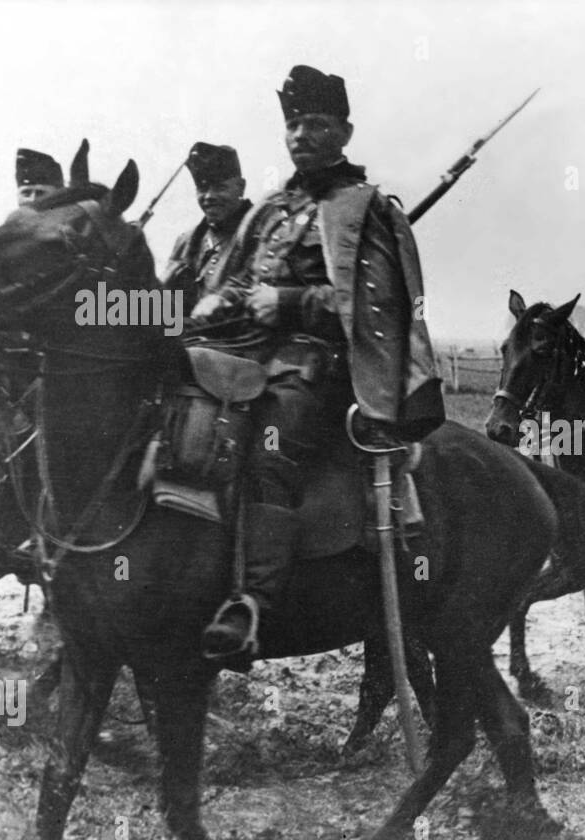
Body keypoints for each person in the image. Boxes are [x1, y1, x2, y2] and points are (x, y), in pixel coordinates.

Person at [193, 64, 444, 663]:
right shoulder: (271, 211)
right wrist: (215, 302)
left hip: (319, 367)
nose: (301, 134)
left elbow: (373, 310)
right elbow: (244, 281)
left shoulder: (366, 209)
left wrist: (288, 302)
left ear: (345, 131)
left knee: (267, 453)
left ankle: (251, 603)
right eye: (294, 124)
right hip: (246, 357)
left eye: (316, 124)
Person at [159, 142, 253, 307]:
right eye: (202, 188)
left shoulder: (258, 232)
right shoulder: (186, 242)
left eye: (220, 188)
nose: (209, 196)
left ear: (241, 187)